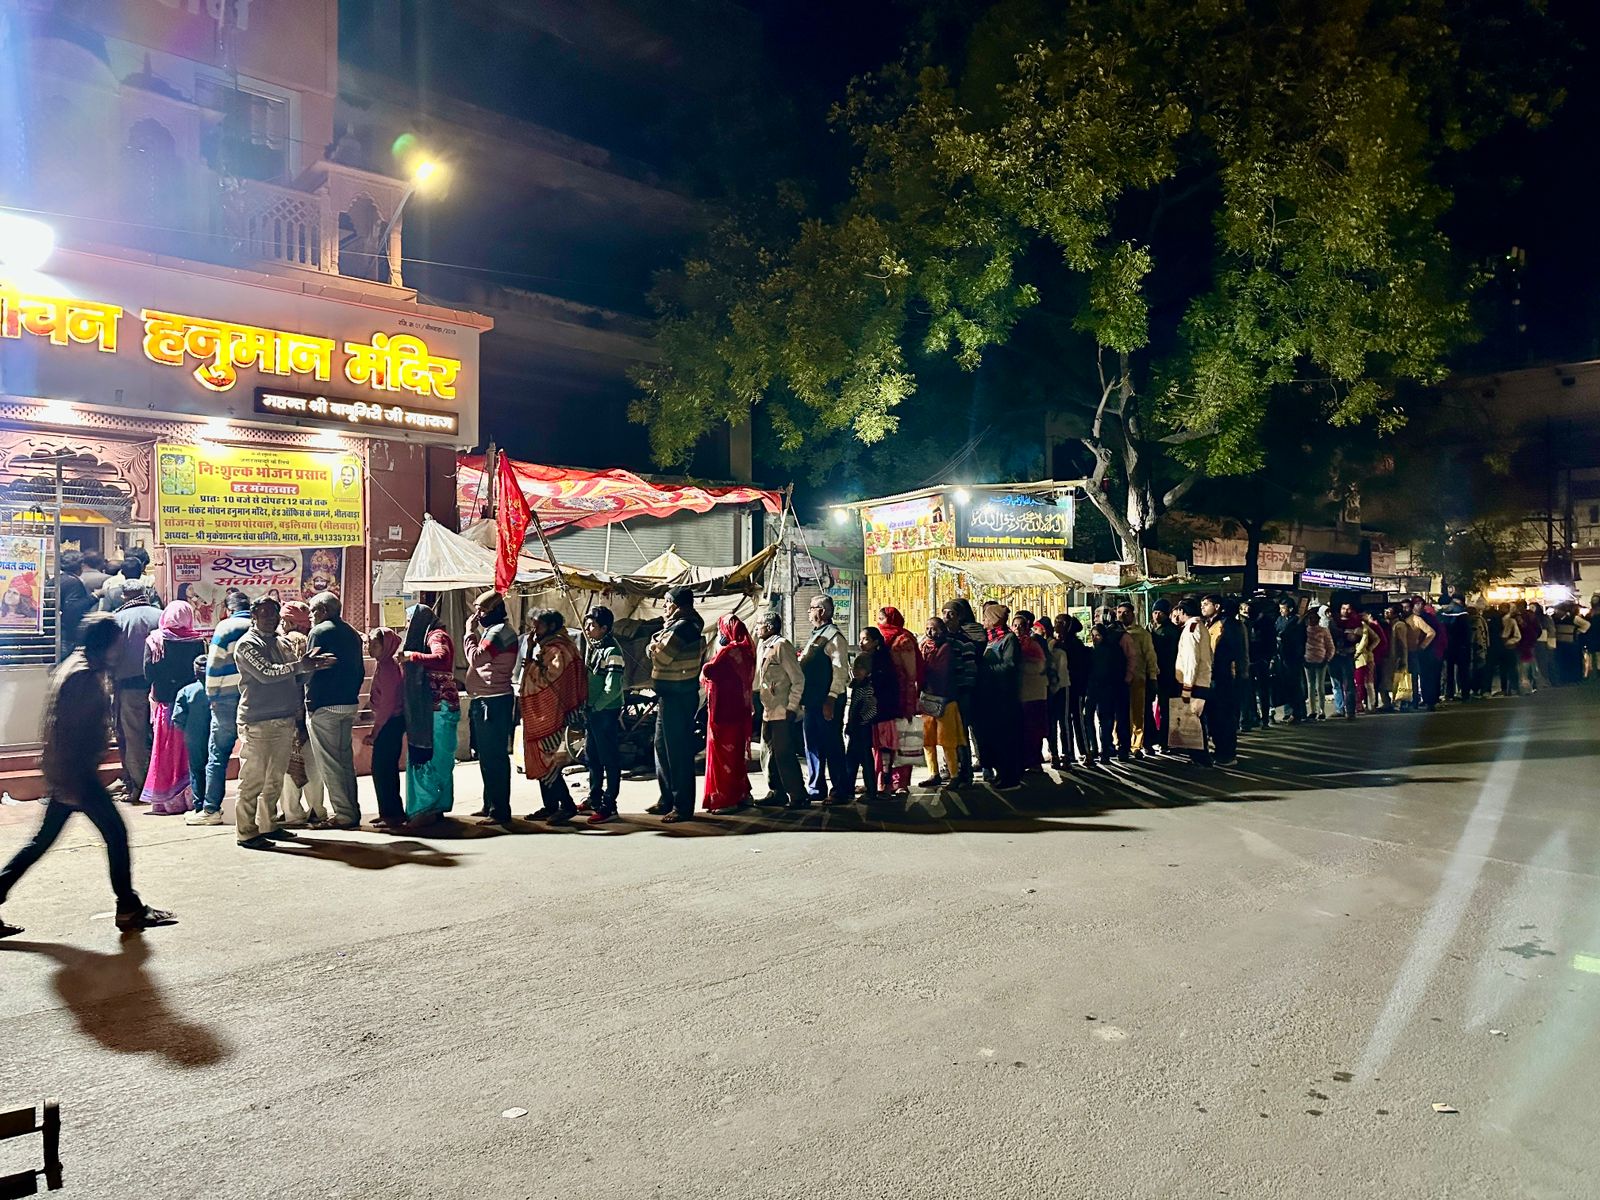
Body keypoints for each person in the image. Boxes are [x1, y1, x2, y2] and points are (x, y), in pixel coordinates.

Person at [0, 614, 176, 939]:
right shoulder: (82, 676)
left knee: (41, 842)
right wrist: (75, 781)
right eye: (118, 643)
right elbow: (70, 732)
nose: (122, 649)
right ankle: (128, 908)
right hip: (76, 775)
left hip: (68, 773)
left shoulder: (79, 666)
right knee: (115, 834)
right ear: (105, 644)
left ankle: (129, 906)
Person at [233, 597, 331, 850]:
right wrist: (300, 665)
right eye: (264, 613)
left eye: (273, 613)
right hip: (257, 722)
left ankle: (268, 825)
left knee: (275, 779)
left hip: (284, 719)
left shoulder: (282, 642)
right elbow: (266, 673)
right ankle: (246, 832)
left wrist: (312, 667)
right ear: (254, 616)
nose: (269, 618)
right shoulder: (247, 644)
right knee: (253, 779)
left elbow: (296, 678)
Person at [518, 609, 587, 825]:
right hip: (542, 713)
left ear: (551, 626)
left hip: (552, 713)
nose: (534, 630)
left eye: (538, 625)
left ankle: (566, 805)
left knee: (547, 759)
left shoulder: (559, 649)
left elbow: (550, 680)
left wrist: (532, 665)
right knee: (540, 756)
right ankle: (550, 806)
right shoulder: (548, 647)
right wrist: (531, 651)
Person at [190, 591, 252, 826]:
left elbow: (214, 665)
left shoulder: (226, 627)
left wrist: (212, 695)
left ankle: (211, 809)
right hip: (252, 697)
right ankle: (259, 809)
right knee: (254, 753)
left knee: (218, 755)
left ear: (228, 609)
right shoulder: (259, 626)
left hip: (225, 699)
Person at [140, 600, 207, 813]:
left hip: (165, 702)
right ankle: (191, 798)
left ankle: (167, 801)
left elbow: (148, 673)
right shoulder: (198, 641)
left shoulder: (156, 640)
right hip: (191, 703)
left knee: (166, 750)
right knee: (190, 750)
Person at [304, 592, 364, 829]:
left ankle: (344, 814)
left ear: (323, 611)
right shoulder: (351, 632)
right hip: (348, 703)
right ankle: (351, 809)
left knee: (330, 763)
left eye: (313, 611)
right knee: (344, 761)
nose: (310, 616)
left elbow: (310, 670)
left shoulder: (319, 632)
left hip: (324, 704)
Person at [646, 586, 705, 822]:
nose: (664, 606)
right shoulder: (676, 626)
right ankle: (667, 799)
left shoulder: (684, 627)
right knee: (661, 747)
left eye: (667, 602)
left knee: (678, 752)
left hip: (679, 697)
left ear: (678, 604)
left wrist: (653, 645)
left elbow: (661, 656)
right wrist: (656, 643)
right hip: (669, 695)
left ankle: (682, 806)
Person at [465, 590, 521, 827]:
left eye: (482, 611)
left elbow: (477, 658)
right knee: (486, 757)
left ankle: (499, 810)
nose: (477, 615)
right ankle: (490, 804)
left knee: (494, 757)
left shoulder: (499, 633)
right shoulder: (493, 631)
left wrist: (469, 633)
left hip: (494, 702)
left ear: (495, 611)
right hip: (485, 700)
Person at [401, 603, 460, 827]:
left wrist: (412, 656)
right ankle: (435, 806)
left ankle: (425, 809)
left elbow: (441, 657)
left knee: (432, 757)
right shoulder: (435, 635)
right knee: (440, 758)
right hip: (438, 706)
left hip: (437, 707)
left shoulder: (436, 636)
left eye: (410, 622)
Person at [796, 594, 850, 807]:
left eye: (812, 608)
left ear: (822, 611)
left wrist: (831, 698)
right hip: (812, 701)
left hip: (827, 700)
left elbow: (840, 670)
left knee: (832, 744)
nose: (809, 612)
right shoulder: (816, 635)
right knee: (813, 745)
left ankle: (840, 789)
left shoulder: (834, 637)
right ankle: (816, 787)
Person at [110, 583, 163, 802]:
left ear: (124, 596)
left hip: (129, 687)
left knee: (133, 737)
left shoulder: (117, 619)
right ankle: (160, 784)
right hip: (160, 688)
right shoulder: (160, 615)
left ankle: (139, 786)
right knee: (159, 735)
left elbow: (111, 655)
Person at [277, 601, 327, 829]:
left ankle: (292, 813)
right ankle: (317, 809)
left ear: (288, 621)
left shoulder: (287, 642)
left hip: (290, 711)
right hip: (312, 709)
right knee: (313, 764)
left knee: (289, 766)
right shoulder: (313, 641)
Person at [701, 615, 757, 814]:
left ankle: (726, 799)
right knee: (736, 755)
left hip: (723, 712)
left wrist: (716, 652)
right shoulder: (747, 651)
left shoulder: (728, 651)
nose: (720, 634)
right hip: (739, 710)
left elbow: (709, 670)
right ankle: (742, 794)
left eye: (721, 629)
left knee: (723, 757)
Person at [754, 610, 806, 808]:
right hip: (768, 709)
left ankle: (798, 795)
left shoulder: (781, 646)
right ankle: (777, 791)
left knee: (784, 754)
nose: (756, 628)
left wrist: (792, 706)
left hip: (782, 709)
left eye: (759, 624)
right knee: (768, 753)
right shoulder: (763, 646)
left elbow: (798, 679)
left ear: (769, 627)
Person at [580, 605, 626, 824]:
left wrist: (596, 706)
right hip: (593, 709)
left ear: (605, 628)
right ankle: (594, 797)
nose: (588, 629)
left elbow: (612, 687)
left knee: (609, 758)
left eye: (592, 625)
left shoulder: (612, 651)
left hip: (605, 711)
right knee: (592, 755)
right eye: (587, 624)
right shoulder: (594, 647)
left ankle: (609, 805)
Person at [875, 607, 925, 797]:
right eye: (879, 619)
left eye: (883, 619)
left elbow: (912, 673)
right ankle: (881, 780)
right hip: (882, 697)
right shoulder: (877, 639)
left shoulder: (904, 640)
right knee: (881, 741)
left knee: (902, 739)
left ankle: (901, 782)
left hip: (901, 696)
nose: (880, 623)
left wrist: (911, 699)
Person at [363, 628, 407, 830]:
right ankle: (388, 812)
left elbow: (387, 705)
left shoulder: (388, 668)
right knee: (383, 769)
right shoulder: (384, 665)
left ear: (386, 646)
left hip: (390, 723)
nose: (370, 648)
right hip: (390, 722)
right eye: (369, 643)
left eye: (375, 644)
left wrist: (375, 732)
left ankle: (392, 815)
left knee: (383, 770)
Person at [974, 603, 1023, 788]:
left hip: (1004, 698)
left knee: (1005, 739)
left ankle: (1009, 777)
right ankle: (1000, 773)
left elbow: (1010, 666)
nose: (984, 621)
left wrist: (986, 670)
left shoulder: (1008, 639)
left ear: (994, 620)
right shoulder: (989, 639)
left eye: (986, 618)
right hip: (990, 697)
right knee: (993, 738)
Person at [919, 616, 966, 786]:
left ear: (942, 630)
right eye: (927, 628)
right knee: (927, 741)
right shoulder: (924, 646)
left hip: (945, 700)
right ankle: (933, 773)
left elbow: (940, 671)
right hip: (927, 698)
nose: (929, 632)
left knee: (948, 741)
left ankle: (954, 775)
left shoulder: (946, 648)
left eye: (933, 628)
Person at [943, 600, 984, 785]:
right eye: (944, 613)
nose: (946, 617)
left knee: (962, 731)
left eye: (951, 613)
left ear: (960, 616)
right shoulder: (944, 639)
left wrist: (965, 688)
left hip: (963, 691)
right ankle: (952, 769)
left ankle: (965, 772)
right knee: (948, 733)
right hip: (946, 692)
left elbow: (970, 668)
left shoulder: (967, 639)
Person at [1172, 598, 1213, 765]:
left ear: (1182, 611)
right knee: (1197, 720)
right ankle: (1200, 757)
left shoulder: (1191, 629)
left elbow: (1191, 660)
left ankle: (1200, 758)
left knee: (1193, 721)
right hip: (1202, 681)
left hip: (1195, 683)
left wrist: (1187, 687)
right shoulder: (1200, 626)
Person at [169, 655, 212, 818]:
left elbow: (178, 719)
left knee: (197, 770)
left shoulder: (186, 691)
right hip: (216, 733)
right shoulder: (219, 689)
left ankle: (199, 805)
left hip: (194, 736)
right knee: (215, 766)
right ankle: (213, 803)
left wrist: (187, 729)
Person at [1089, 610, 1134, 763]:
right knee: (1115, 719)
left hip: (1112, 686)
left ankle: (1112, 750)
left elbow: (1130, 659)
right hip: (1113, 686)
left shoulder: (1116, 641)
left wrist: (1127, 678)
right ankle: (1116, 749)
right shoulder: (1116, 640)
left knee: (1110, 719)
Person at [1205, 596, 1245, 764]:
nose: (1203, 607)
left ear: (1218, 607)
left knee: (1224, 716)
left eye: (1206, 604)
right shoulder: (1215, 624)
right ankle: (1222, 750)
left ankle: (1227, 753)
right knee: (1218, 716)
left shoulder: (1226, 625)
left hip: (1223, 677)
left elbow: (1230, 652)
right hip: (1218, 676)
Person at [1117, 603, 1158, 754]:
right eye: (1119, 612)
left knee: (1138, 713)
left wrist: (1152, 676)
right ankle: (1119, 742)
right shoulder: (1115, 633)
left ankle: (1136, 744)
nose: (1122, 615)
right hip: (1119, 679)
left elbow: (1150, 656)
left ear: (1133, 614)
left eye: (1126, 612)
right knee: (1120, 713)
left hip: (1138, 678)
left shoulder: (1142, 634)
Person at [1014, 610, 1051, 773]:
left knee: (1034, 728)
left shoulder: (1032, 644)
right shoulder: (1013, 643)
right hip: (1020, 693)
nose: (1017, 629)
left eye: (1021, 626)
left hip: (1034, 692)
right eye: (1015, 625)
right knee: (1022, 729)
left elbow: (1040, 667)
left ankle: (1035, 760)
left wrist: (1020, 666)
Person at [842, 654, 880, 804]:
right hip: (855, 727)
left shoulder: (867, 688)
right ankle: (848, 789)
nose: (856, 671)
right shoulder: (856, 686)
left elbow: (873, 709)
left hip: (863, 729)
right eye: (855, 668)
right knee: (851, 760)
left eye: (861, 668)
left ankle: (871, 790)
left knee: (865, 760)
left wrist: (862, 720)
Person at [1061, 614, 1095, 763]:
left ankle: (1084, 751)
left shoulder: (1073, 645)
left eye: (1059, 622)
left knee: (1076, 719)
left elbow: (1079, 668)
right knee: (1069, 720)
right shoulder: (1066, 643)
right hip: (1070, 686)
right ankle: (1074, 751)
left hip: (1074, 687)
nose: (1056, 625)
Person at [1147, 602, 1180, 751]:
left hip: (1168, 674)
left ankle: (1166, 741)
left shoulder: (1172, 631)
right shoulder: (1149, 628)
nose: (1157, 615)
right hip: (1152, 673)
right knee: (1149, 707)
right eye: (1155, 612)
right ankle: (1153, 738)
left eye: (1160, 612)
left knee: (1167, 709)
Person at [1040, 618, 1072, 768]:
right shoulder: (1043, 646)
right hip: (1049, 688)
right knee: (1052, 722)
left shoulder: (1057, 647)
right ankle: (1055, 753)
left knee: (1062, 721)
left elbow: (1062, 670)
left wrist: (1055, 685)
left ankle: (1066, 753)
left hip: (1061, 687)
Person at [56, 550, 98, 657]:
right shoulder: (73, 582)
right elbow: (73, 608)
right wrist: (94, 597)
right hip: (67, 634)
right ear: (80, 566)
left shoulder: (58, 579)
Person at [1329, 601, 1365, 720]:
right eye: (1343, 608)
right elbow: (1334, 634)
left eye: (1348, 608)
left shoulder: (1355, 622)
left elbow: (1354, 637)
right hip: (1334, 655)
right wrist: (1347, 632)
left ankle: (1350, 711)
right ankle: (1339, 709)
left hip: (1348, 655)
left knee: (1349, 684)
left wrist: (1351, 634)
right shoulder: (1334, 622)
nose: (1345, 611)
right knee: (1336, 683)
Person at [1272, 598, 1306, 723]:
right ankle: (1288, 711)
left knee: (1295, 686)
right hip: (1281, 657)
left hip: (1293, 658)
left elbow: (1300, 640)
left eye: (1283, 608)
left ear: (1290, 609)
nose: (1281, 611)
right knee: (1285, 685)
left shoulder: (1297, 621)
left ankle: (1298, 712)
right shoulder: (1279, 620)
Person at [1245, 598, 1277, 730]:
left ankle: (1265, 719)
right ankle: (1254, 716)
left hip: (1262, 660)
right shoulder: (1247, 622)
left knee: (1263, 690)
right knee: (1250, 690)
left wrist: (1270, 658)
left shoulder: (1267, 622)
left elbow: (1272, 642)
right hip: (1250, 660)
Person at [1409, 597, 1444, 711]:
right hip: (1430, 651)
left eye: (1421, 604)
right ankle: (1429, 699)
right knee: (1427, 676)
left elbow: (1432, 633)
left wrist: (1423, 646)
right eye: (1417, 604)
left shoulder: (1424, 618)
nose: (1419, 606)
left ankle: (1429, 700)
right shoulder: (1427, 617)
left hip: (1428, 651)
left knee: (1427, 676)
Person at [1438, 593, 1472, 701]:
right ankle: (1462, 694)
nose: (1444, 608)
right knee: (1459, 671)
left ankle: (1453, 693)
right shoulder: (1461, 612)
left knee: (1454, 671)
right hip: (1458, 646)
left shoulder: (1449, 614)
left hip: (1454, 646)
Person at [1302, 606, 1334, 720]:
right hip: (1310, 660)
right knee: (1311, 686)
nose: (1312, 620)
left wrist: (1327, 658)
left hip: (1319, 660)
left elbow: (1330, 646)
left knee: (1318, 686)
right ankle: (1313, 710)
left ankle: (1321, 710)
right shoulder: (1305, 631)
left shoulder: (1323, 630)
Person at [1531, 601, 1556, 689]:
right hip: (1534, 641)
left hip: (1542, 641)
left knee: (1543, 662)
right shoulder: (1530, 618)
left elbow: (1551, 630)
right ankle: (1539, 681)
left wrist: (1550, 642)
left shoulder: (1545, 618)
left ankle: (1545, 680)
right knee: (1535, 663)